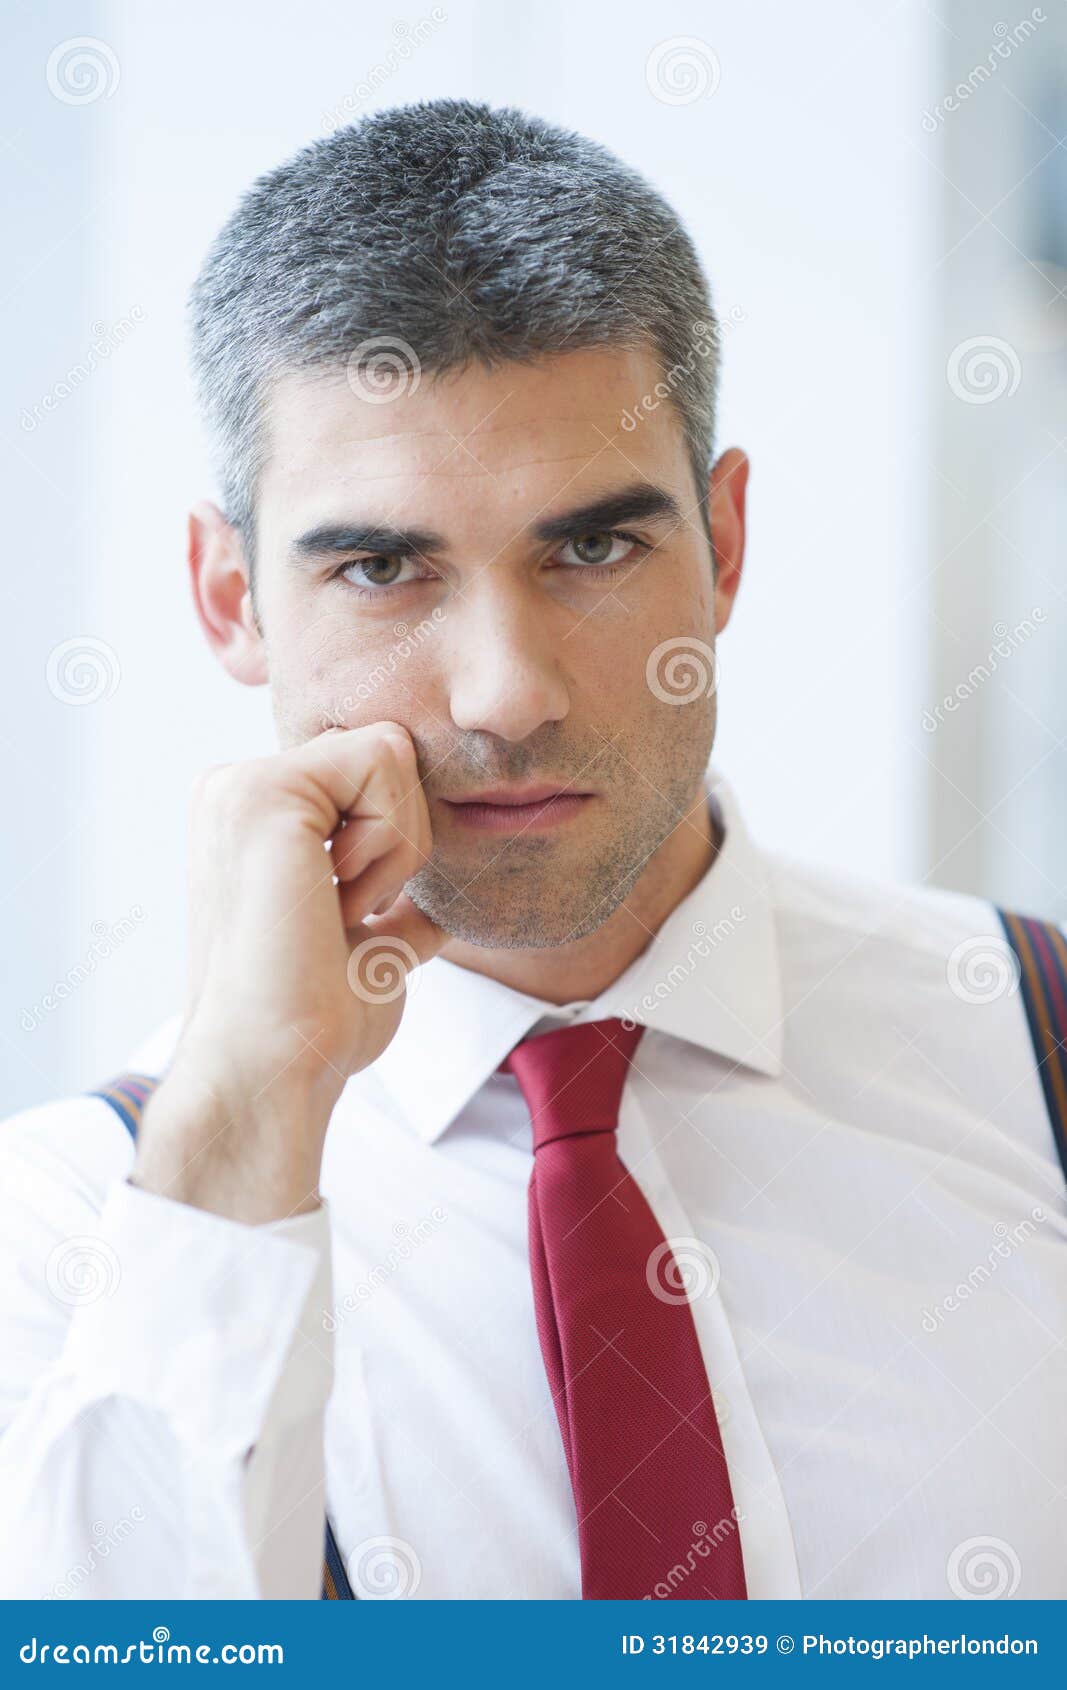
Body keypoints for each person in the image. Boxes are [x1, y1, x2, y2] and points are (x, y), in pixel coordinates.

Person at [1, 98, 1064, 1604]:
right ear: (229, 596)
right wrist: (244, 1114)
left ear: (729, 543)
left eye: (593, 547)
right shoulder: (71, 1233)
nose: (506, 691)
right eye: (381, 567)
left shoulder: (1039, 1044)